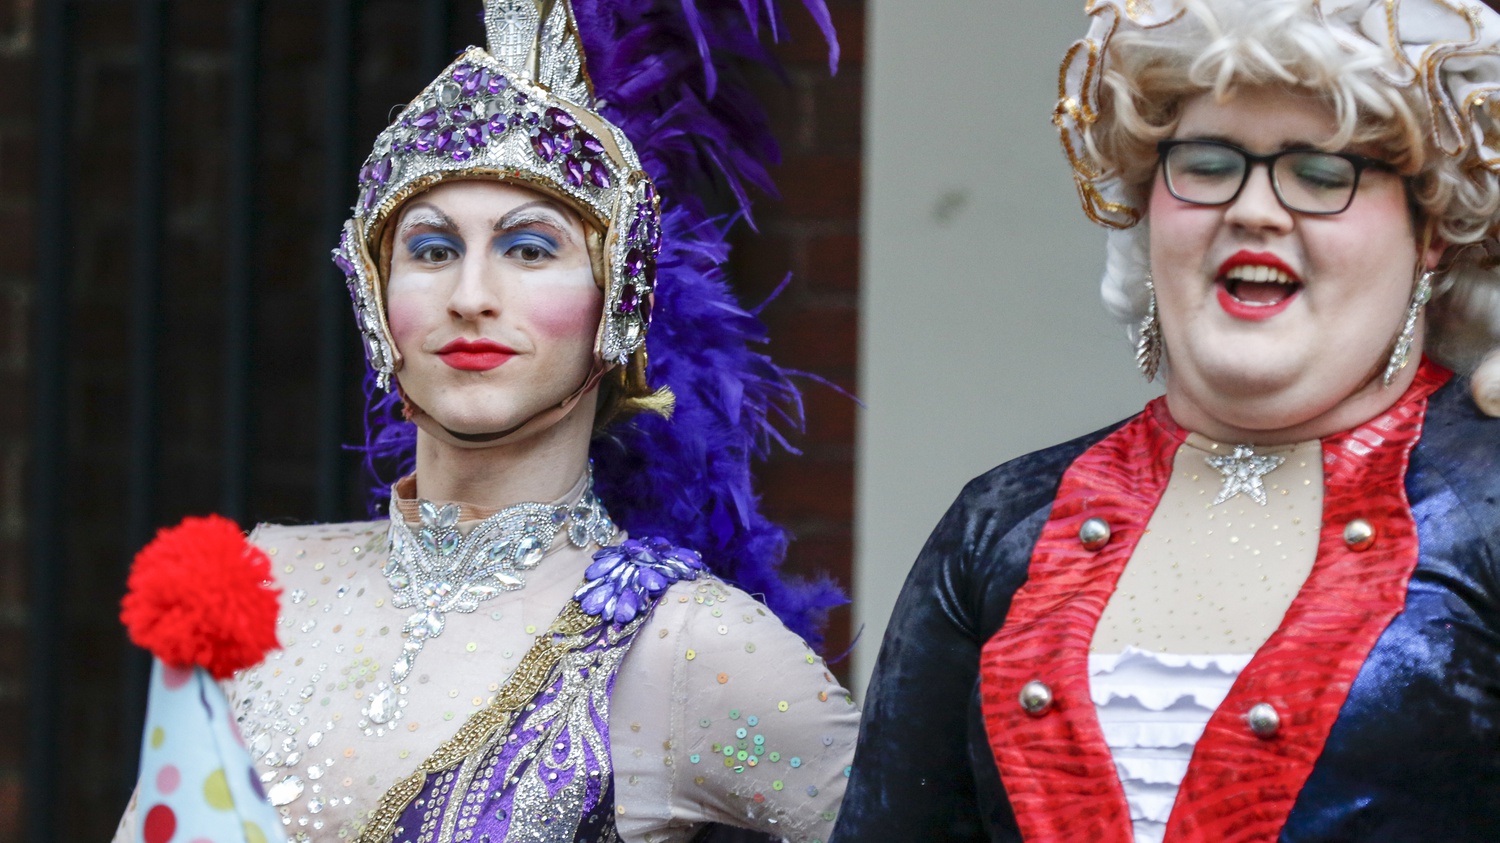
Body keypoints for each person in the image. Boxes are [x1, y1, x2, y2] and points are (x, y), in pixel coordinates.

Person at [114, 1, 858, 841]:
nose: (470, 296)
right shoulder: (261, 585)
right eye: (432, 249)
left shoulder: (687, 645)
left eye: (529, 248)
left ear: (618, 301)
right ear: (374, 299)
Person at [833, 1, 1500, 841]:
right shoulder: (998, 525)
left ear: (1430, 229)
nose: (1254, 209)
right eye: (1209, 163)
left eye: (1322, 172)